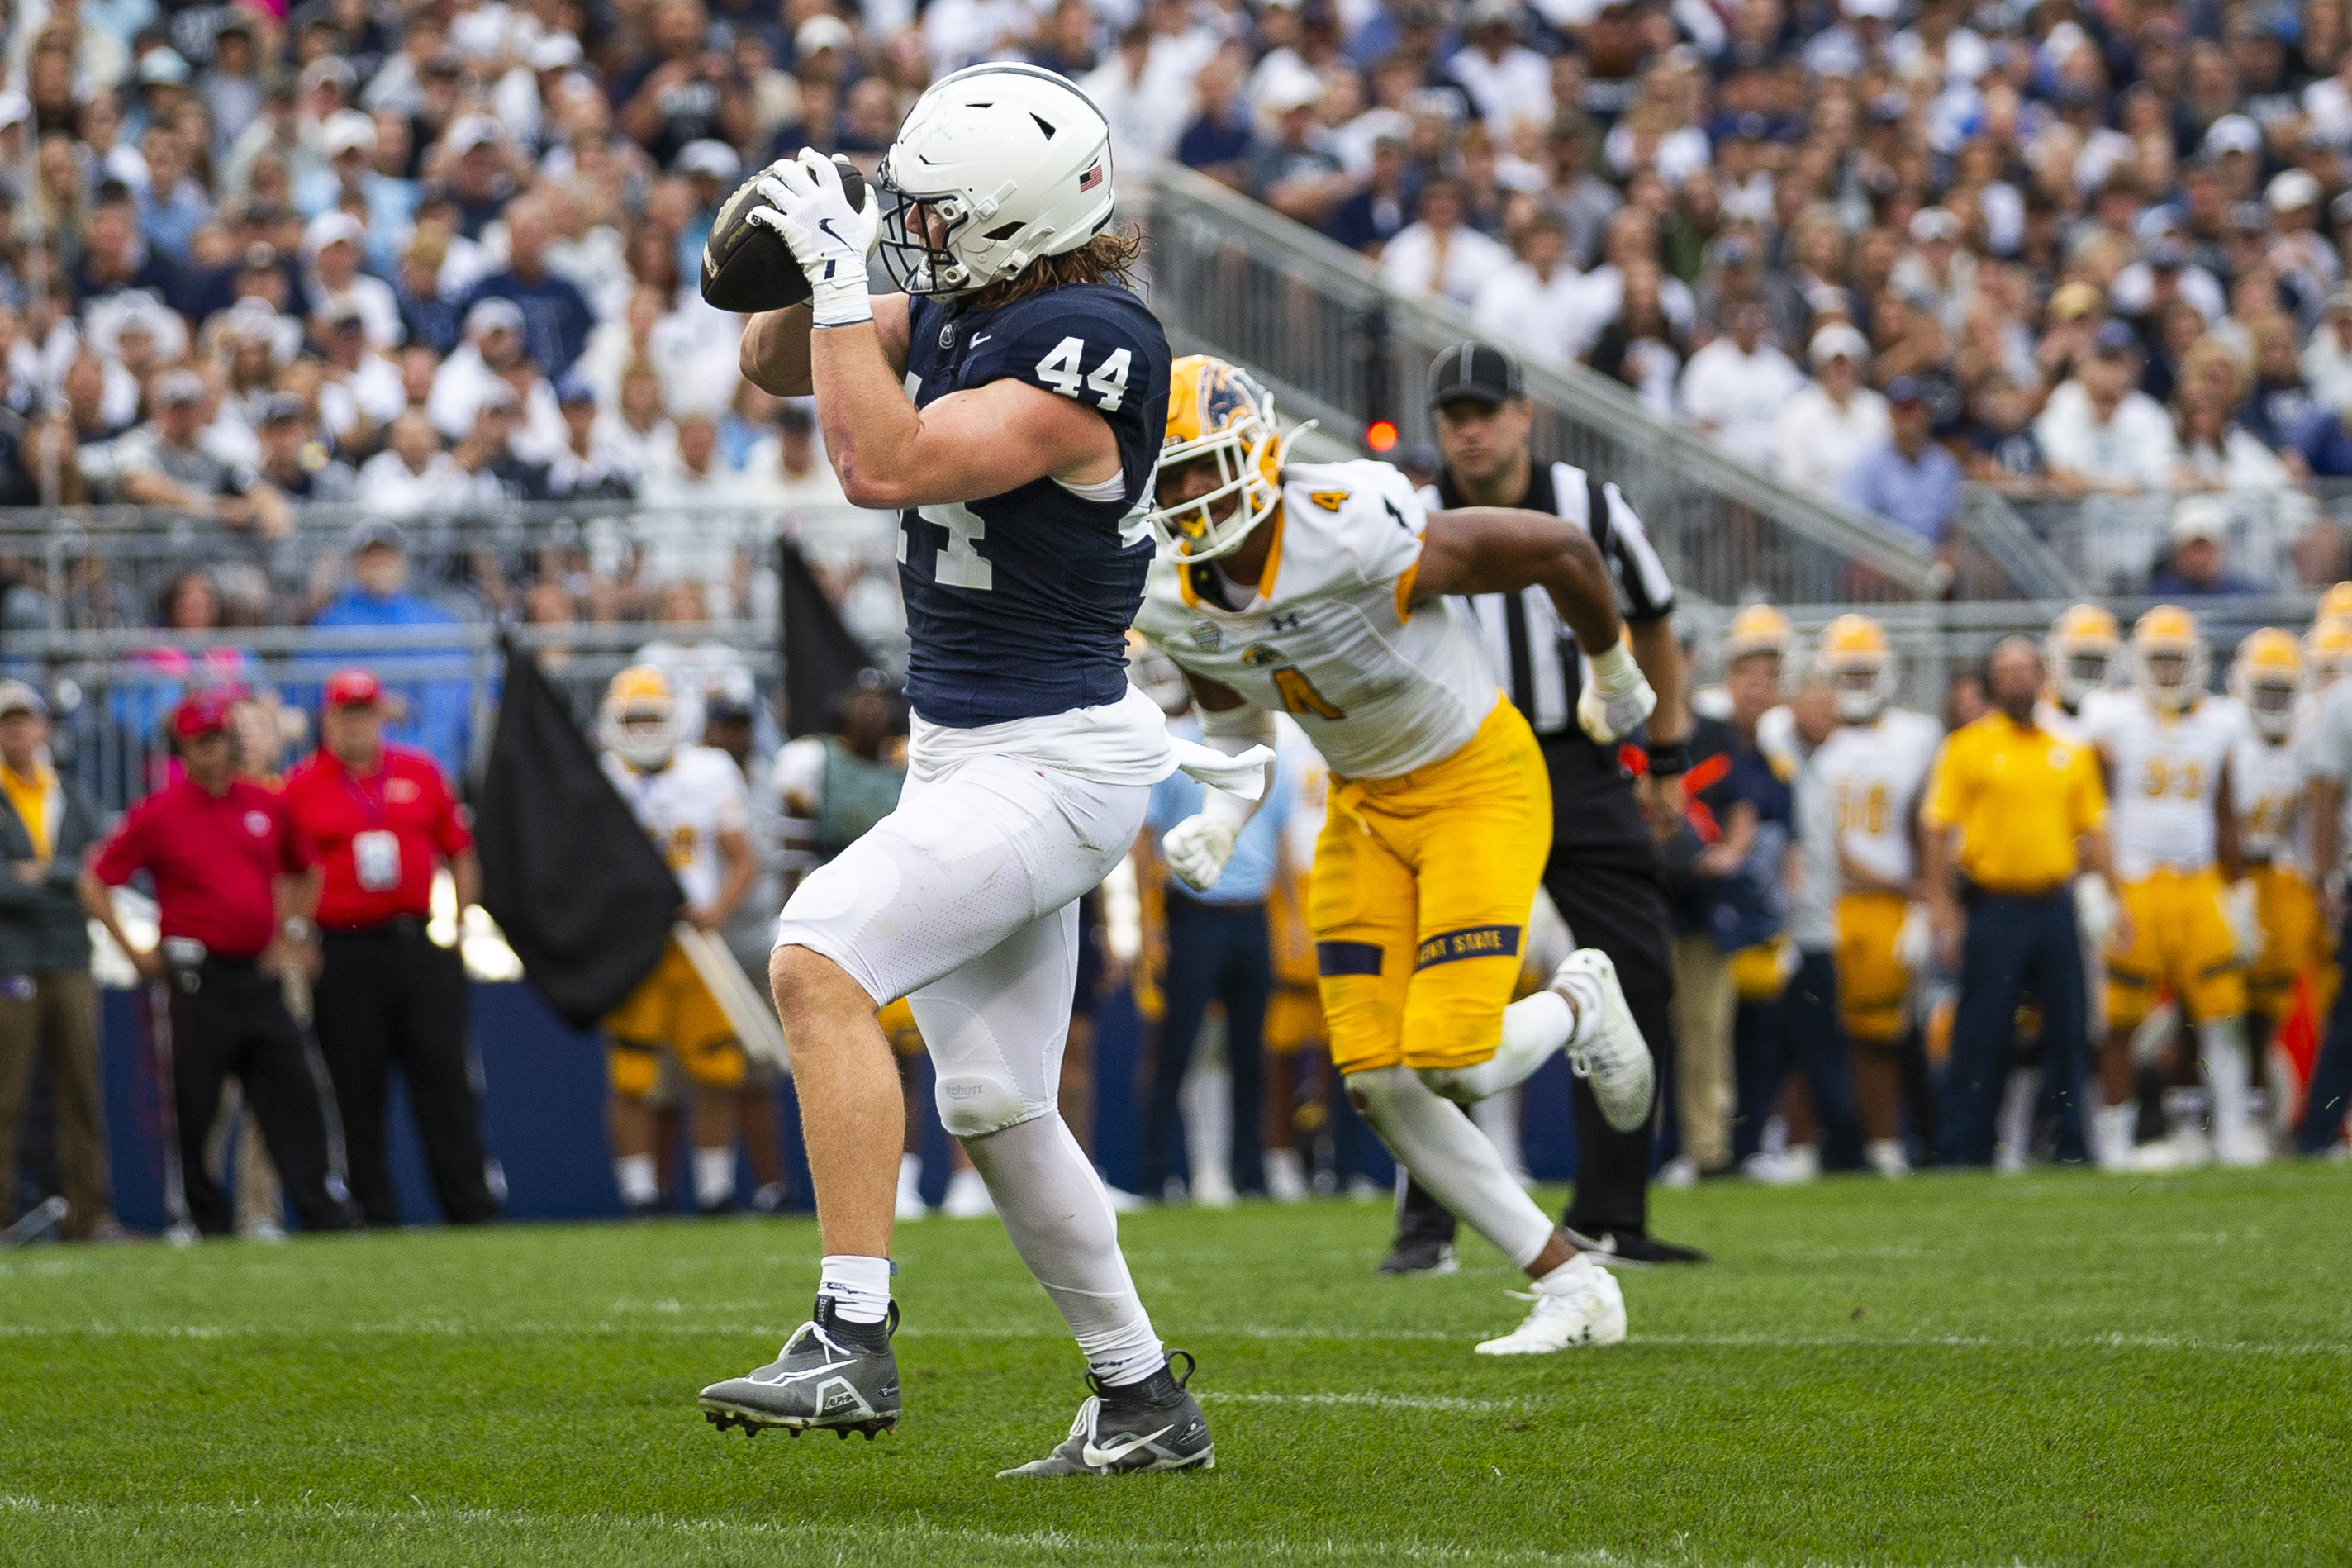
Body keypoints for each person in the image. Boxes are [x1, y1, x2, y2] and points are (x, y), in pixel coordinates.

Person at [697, 66, 1230, 1475]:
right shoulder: (971, 301)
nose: (914, 239)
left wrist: (833, 286)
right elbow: (767, 365)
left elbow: (890, 461)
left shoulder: (1092, 339)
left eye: (937, 216)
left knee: (813, 956)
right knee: (992, 1102)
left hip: (1053, 756)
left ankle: (846, 1333)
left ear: (1012, 221)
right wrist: (799, 250)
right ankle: (1140, 1399)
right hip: (971, 753)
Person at [1133, 354, 1657, 1354]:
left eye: (1205, 467)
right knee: (1377, 1080)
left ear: (1257, 451)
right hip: (1364, 807)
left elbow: (1560, 548)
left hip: (1473, 780)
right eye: (1170, 476)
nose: (1191, 495)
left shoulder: (1354, 520)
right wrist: (1227, 812)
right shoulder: (1169, 589)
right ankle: (1569, 1281)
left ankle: (1584, 995)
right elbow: (1239, 715)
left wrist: (1615, 668)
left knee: (1454, 1058)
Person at [1385, 340, 1703, 1272]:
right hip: (1459, 766)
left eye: (1485, 410)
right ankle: (1429, 1221)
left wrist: (1669, 756)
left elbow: (1653, 621)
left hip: (1577, 758)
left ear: (1527, 413)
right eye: (1453, 416)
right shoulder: (1406, 512)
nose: (1469, 429)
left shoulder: (1591, 505)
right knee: (1435, 980)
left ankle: (1613, 1213)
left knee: (1639, 968)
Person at [78, 693, 357, 1238]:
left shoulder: (263, 803)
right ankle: (200, 1214)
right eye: (203, 740)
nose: (215, 749)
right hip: (194, 976)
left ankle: (313, 1207)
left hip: (257, 971)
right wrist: (134, 951)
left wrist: (292, 933)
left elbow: (307, 868)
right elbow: (96, 880)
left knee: (292, 1091)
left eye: (220, 738)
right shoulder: (159, 813)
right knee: (197, 1099)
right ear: (183, 748)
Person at [280, 668, 500, 1228]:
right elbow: (285, 872)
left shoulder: (421, 773)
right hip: (344, 950)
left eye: (364, 712)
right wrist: (297, 935)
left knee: (445, 1083)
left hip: (416, 940)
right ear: (327, 719)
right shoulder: (301, 786)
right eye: (345, 713)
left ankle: (469, 1206)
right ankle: (372, 1212)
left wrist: (461, 922)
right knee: (356, 1087)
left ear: (381, 715)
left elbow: (461, 849)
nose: (355, 723)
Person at [1922, 638, 2123, 1169]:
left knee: (2068, 1029)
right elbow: (1936, 828)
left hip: (2054, 902)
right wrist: (1941, 907)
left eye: (2026, 668)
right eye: (2006, 670)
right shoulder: (1967, 746)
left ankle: (2071, 1145)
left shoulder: (2071, 746)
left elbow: (2095, 829)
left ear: (2043, 675)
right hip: (1995, 904)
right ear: (1991, 680)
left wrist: (2112, 897)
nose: (2017, 678)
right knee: (1981, 1031)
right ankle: (1966, 1147)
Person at [2082, 608, 2265, 1170]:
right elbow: (2091, 810)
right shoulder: (2109, 718)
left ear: (2196, 663)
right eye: (2156, 660)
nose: (2165, 671)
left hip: (2197, 879)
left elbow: (2225, 812)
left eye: (2174, 660)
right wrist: (2095, 881)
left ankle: (2230, 1128)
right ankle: (2113, 1138)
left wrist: (2237, 891)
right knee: (2119, 1019)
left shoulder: (2221, 721)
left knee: (2220, 1014)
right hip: (2135, 883)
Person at [597, 667, 756, 1219]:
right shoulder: (598, 778)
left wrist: (716, 910)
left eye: (652, 717)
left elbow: (743, 858)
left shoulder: (708, 771)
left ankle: (714, 1191)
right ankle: (640, 1194)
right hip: (632, 949)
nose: (643, 729)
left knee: (718, 1069)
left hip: (697, 943)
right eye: (632, 719)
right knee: (631, 1073)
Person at [1136, 720, 1292, 1205]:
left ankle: (1250, 1174)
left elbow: (1280, 834)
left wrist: (1293, 920)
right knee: (1176, 1049)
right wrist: (1149, 922)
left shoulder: (1269, 755)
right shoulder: (1177, 749)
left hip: (1254, 912)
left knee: (1251, 1053)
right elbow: (1147, 837)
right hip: (1194, 912)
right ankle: (1155, 1175)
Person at [1809, 615, 1945, 1176]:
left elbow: (1926, 824)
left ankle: (1884, 1142)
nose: (1856, 684)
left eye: (1866, 673)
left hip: (1888, 908)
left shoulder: (1915, 736)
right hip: (1822, 900)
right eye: (1846, 673)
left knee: (1884, 1033)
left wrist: (1928, 899)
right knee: (1812, 1034)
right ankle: (1805, 1146)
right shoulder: (1803, 734)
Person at [0, 682, 121, 1242]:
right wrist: (66, 875)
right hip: (13, 961)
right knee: (7, 1094)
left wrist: (44, 872)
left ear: (44, 727)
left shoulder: (70, 790)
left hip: (71, 956)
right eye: (8, 723)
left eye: (25, 721)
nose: (18, 732)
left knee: (82, 1090)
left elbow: (105, 865)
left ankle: (91, 1216)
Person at [2226, 632, 2334, 1105]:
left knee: (2273, 1001)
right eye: (2263, 690)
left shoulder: (2308, 741)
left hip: (2284, 878)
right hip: (2230, 878)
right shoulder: (2223, 734)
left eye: (2281, 691)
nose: (2272, 701)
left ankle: (2257, 1103)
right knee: (2219, 999)